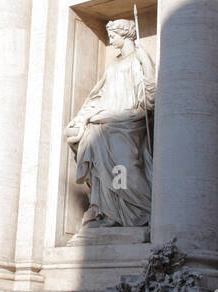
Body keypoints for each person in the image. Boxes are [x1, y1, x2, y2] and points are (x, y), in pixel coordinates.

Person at [65, 20, 156, 226]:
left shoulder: (139, 59)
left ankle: (142, 209)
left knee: (125, 167)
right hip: (106, 120)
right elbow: (99, 94)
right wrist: (83, 117)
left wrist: (147, 64)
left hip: (128, 120)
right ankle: (110, 212)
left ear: (125, 35)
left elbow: (150, 95)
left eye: (113, 36)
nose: (110, 40)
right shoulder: (113, 64)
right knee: (104, 166)